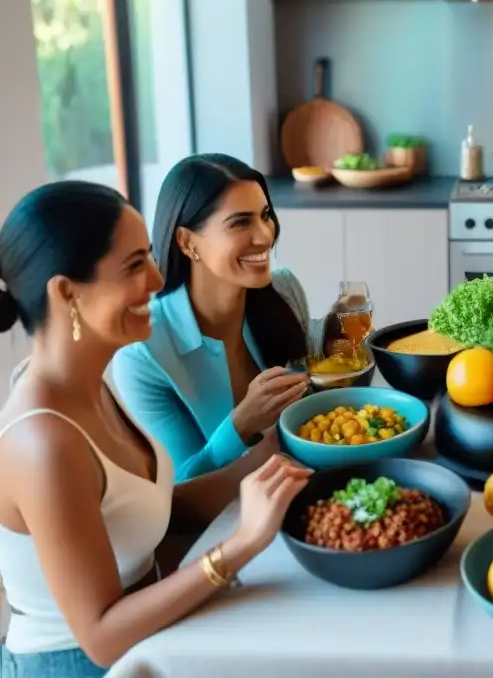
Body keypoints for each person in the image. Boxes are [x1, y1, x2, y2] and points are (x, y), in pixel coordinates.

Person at [0, 182, 311, 676]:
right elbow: (101, 636)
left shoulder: (88, 384)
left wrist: (275, 451)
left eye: (148, 256)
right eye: (133, 266)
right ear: (66, 293)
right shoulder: (43, 442)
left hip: (151, 640)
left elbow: (155, 508)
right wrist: (240, 545)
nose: (157, 277)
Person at [112, 154, 335, 482]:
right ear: (188, 242)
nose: (265, 236)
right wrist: (240, 425)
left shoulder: (284, 289)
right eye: (241, 222)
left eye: (265, 215)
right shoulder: (142, 353)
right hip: (222, 523)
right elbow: (180, 490)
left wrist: (336, 352)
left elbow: (318, 414)